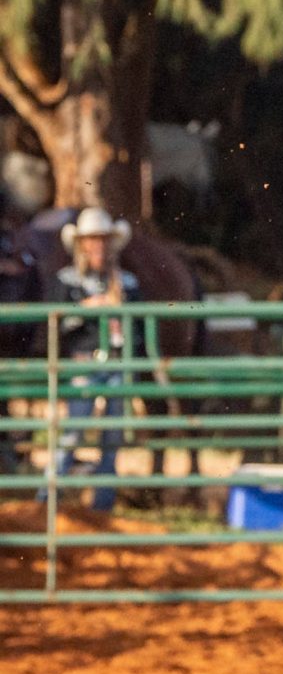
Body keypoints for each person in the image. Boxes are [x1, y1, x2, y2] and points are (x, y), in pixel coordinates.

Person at [43, 207, 140, 513]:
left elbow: (138, 330)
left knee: (113, 436)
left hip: (116, 362)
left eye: (103, 240)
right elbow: (53, 325)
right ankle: (46, 504)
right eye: (92, 240)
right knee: (72, 432)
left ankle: (102, 506)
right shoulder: (68, 282)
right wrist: (87, 308)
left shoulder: (126, 283)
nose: (98, 246)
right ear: (82, 244)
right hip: (84, 361)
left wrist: (118, 317)